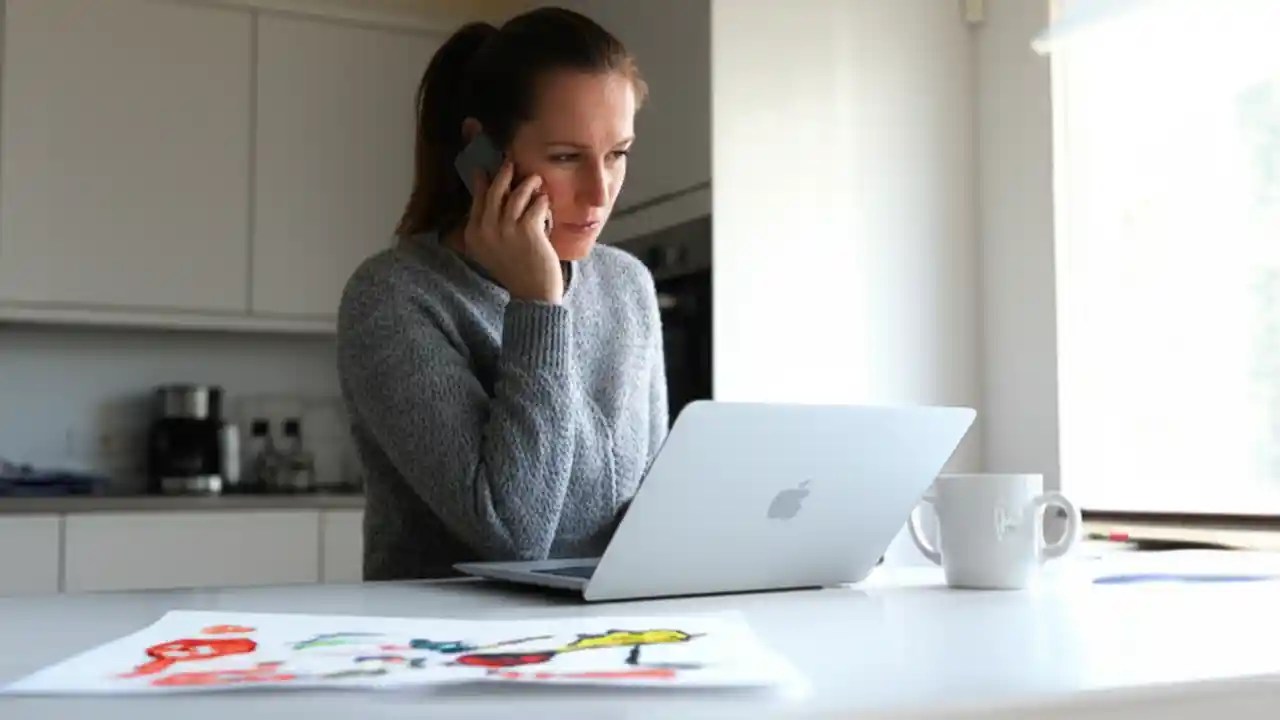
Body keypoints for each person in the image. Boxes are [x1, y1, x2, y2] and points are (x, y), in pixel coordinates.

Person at [337, 7, 667, 581]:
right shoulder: (392, 297)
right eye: (566, 157)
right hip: (442, 650)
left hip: (601, 641)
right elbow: (515, 538)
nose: (599, 193)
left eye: (618, 154)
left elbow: (652, 513)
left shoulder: (627, 286)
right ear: (483, 155)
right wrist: (538, 304)